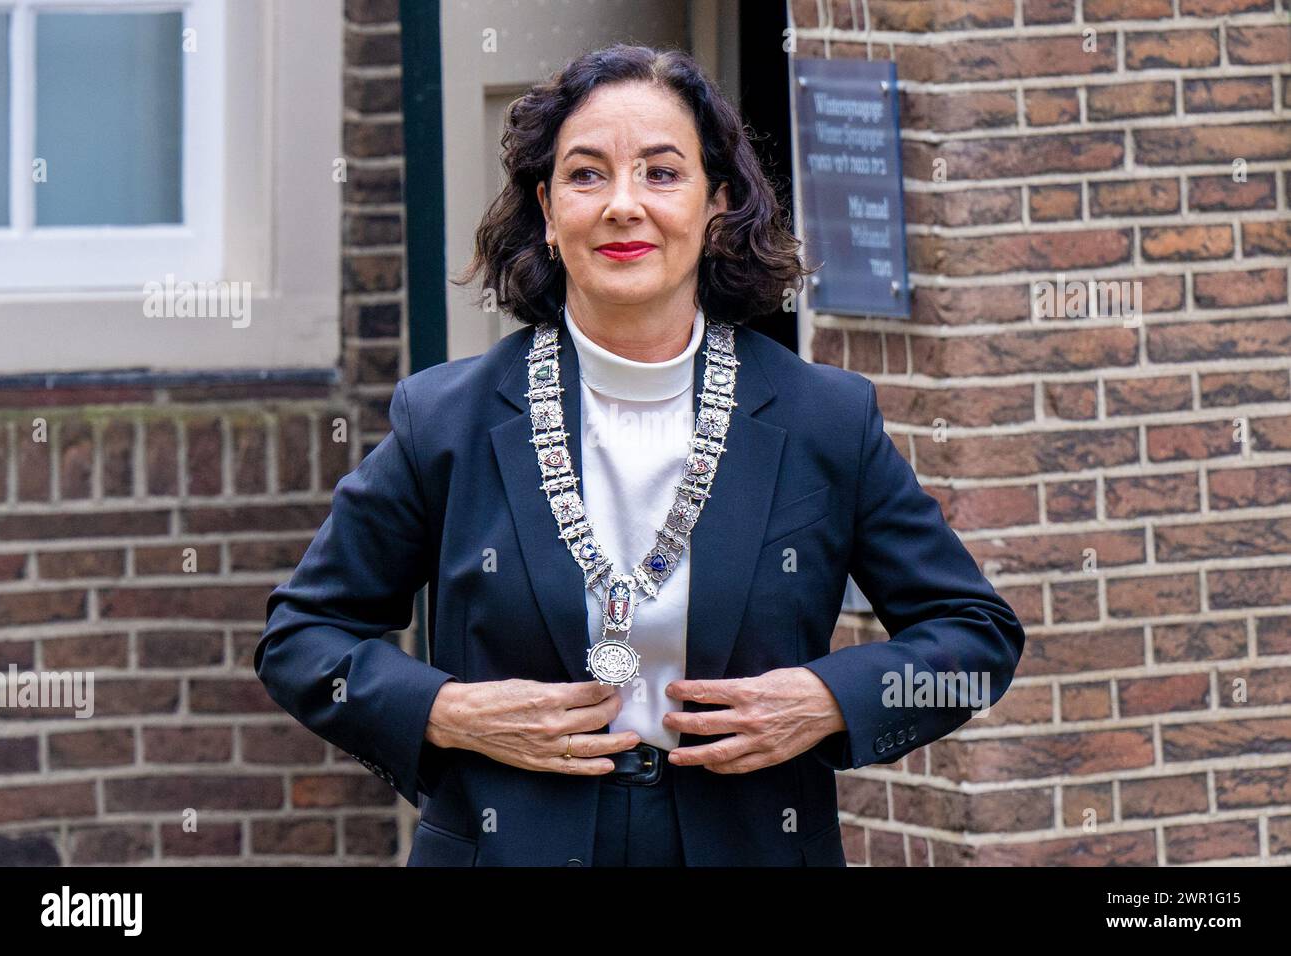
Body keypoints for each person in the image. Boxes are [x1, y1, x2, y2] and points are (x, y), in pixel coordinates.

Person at [255, 43, 1025, 867]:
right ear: (548, 213)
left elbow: (975, 637)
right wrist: (450, 711)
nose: (624, 205)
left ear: (717, 205)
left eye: (662, 174)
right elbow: (302, 638)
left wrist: (827, 700)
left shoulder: (822, 418)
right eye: (587, 176)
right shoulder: (445, 420)